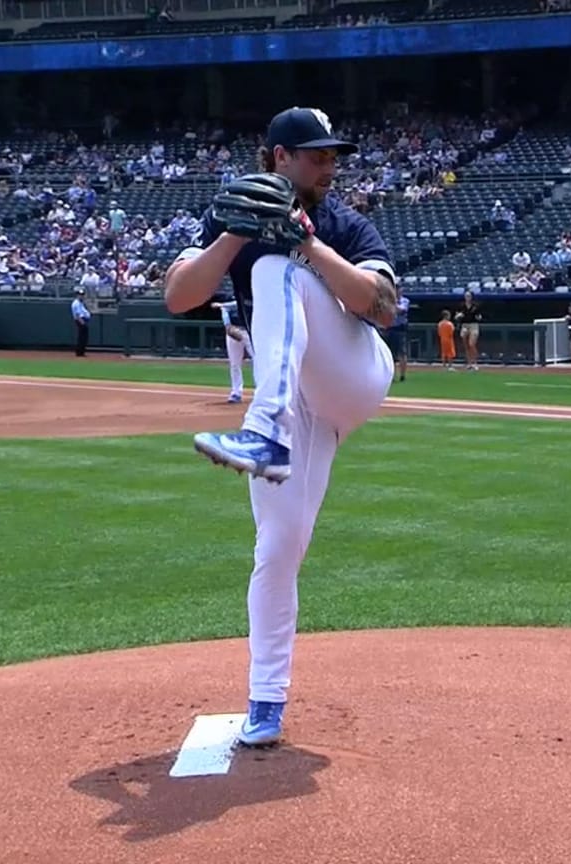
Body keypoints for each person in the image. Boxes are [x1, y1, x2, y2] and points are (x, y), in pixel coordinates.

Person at [162, 106, 399, 748]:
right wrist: (234, 237)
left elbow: (382, 307)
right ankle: (266, 701)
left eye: (331, 156)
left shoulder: (342, 222)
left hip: (353, 374)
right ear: (278, 157)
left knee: (275, 269)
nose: (329, 166)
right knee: (276, 548)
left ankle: (262, 425)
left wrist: (306, 243)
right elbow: (178, 296)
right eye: (315, 155)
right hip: (301, 408)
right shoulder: (227, 213)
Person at [212, 299, 255, 403]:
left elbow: (236, 304)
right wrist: (227, 326)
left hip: (249, 332)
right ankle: (236, 393)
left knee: (257, 361)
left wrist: (222, 304)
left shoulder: (248, 299)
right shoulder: (228, 303)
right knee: (235, 364)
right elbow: (225, 310)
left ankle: (262, 391)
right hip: (233, 332)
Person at [382, 284, 410, 382]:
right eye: (395, 289)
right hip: (389, 328)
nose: (397, 291)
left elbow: (401, 310)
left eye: (398, 289)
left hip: (400, 329)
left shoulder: (405, 301)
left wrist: (391, 305)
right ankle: (391, 376)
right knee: (389, 353)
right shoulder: (388, 300)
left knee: (402, 353)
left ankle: (402, 375)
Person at [455, 290, 482, 370]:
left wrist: (479, 317)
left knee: (472, 344)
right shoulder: (461, 305)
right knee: (465, 344)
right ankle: (469, 363)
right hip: (465, 325)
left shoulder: (476, 305)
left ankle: (475, 362)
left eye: (469, 296)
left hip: (473, 325)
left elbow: (479, 316)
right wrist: (458, 316)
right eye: (466, 296)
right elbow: (456, 316)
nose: (467, 297)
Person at [70, 287, 91, 357]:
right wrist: (82, 322)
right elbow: (77, 315)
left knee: (83, 337)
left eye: (82, 295)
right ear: (77, 295)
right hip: (80, 320)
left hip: (83, 320)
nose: (81, 296)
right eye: (80, 295)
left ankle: (81, 352)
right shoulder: (76, 303)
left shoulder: (80, 303)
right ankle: (79, 352)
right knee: (82, 337)